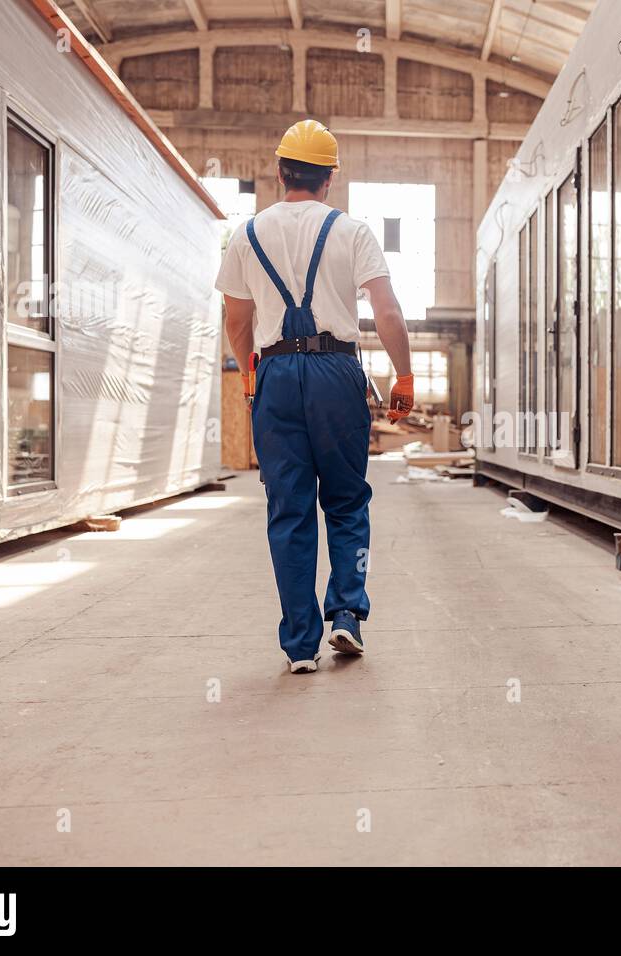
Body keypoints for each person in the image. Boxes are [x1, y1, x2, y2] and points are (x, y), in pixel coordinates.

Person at [214, 120, 414, 674]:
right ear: (329, 179)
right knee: (347, 501)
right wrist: (404, 376)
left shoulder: (246, 234)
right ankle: (346, 614)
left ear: (280, 172)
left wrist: (251, 375)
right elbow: (387, 311)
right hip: (335, 371)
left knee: (290, 509)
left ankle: (300, 645)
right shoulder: (353, 232)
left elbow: (236, 320)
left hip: (275, 373)